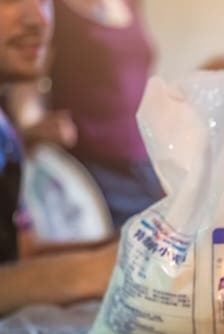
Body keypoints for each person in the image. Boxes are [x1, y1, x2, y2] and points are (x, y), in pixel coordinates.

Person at [0, 0, 116, 315]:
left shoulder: (5, 133)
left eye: (44, 0)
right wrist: (95, 270)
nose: (37, 18)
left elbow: (20, 256)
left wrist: (126, 247)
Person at [18, 0, 162, 230]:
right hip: (93, 167)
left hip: (145, 162)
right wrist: (35, 127)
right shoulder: (55, 10)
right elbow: (26, 83)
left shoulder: (131, 4)